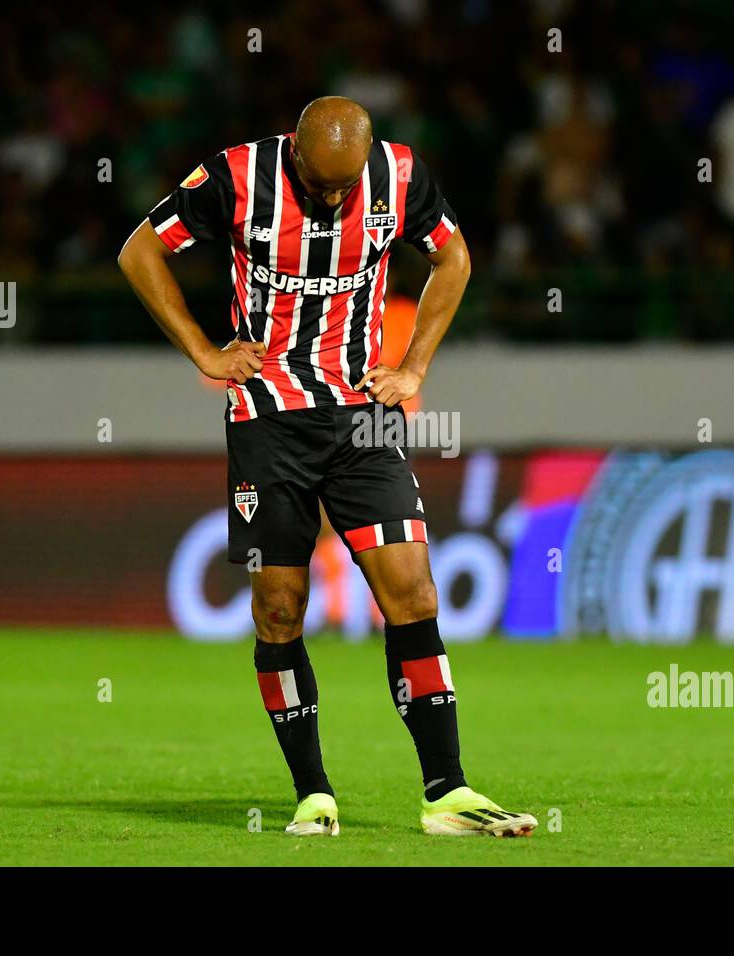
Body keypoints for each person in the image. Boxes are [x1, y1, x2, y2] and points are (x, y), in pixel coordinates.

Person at [118, 96, 536, 837]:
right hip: (268, 420)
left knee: (412, 589)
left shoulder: (400, 176)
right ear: (297, 154)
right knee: (279, 607)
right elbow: (138, 252)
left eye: (348, 188)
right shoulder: (236, 177)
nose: (336, 198)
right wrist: (206, 353)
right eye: (321, 185)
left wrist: (412, 368)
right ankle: (313, 792)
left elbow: (454, 256)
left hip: (363, 414)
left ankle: (448, 792)